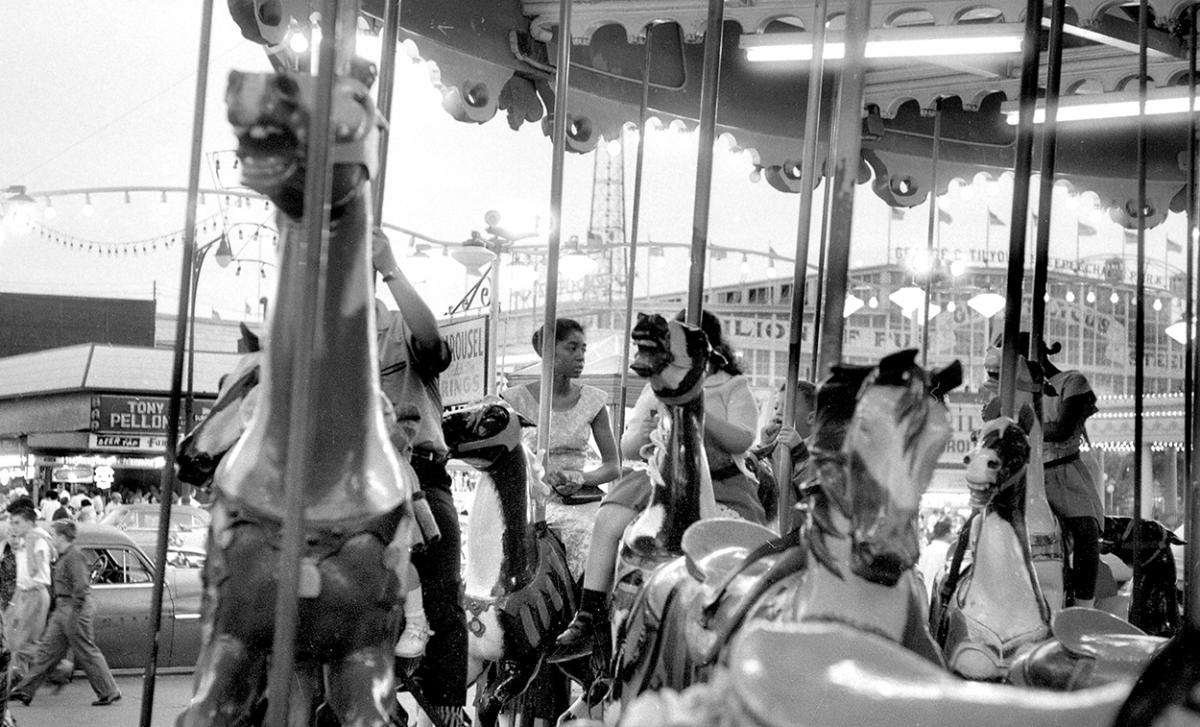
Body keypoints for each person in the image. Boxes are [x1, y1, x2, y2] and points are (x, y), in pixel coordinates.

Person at [552, 309, 761, 660]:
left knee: (739, 538)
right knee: (609, 519)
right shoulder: (657, 386)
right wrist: (643, 433)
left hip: (721, 480)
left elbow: (743, 439)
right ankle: (590, 612)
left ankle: (738, 610)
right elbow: (628, 443)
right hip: (660, 475)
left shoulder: (731, 386)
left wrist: (693, 412)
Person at [372, 228, 465, 727]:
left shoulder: (398, 334)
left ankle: (448, 702)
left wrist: (390, 268)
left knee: (441, 584)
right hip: (355, 483)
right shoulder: (326, 348)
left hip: (416, 473)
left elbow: (431, 339)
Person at [983, 332, 1103, 608]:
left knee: (1085, 530)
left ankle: (1085, 605)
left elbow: (1062, 429)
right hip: (1025, 473)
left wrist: (1021, 425)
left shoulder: (1072, 382)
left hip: (1062, 475)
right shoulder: (1009, 393)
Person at [500, 318, 621, 577]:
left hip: (578, 500)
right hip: (533, 498)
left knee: (600, 534)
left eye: (583, 350)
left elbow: (613, 466)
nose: (580, 357)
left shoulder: (593, 401)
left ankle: (593, 604)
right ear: (548, 352)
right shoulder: (515, 400)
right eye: (572, 348)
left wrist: (581, 478)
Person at [9, 521, 121, 707]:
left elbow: (81, 585)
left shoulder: (73, 557)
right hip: (64, 606)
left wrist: (75, 612)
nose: (51, 539)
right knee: (48, 651)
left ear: (62, 536)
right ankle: (25, 690)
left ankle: (109, 690)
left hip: (72, 607)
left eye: (53, 535)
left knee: (85, 650)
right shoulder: (64, 556)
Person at [752, 379, 817, 523]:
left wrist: (800, 453)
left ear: (811, 418)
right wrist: (764, 446)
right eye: (776, 407)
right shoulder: (776, 447)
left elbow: (814, 492)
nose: (778, 413)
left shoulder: (818, 449)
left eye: (786, 408)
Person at [5, 504, 52, 678]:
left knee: (22, 642)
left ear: (28, 522)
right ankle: (21, 680)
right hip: (24, 592)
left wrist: (27, 545)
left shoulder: (38, 540)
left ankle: (58, 665)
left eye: (17, 523)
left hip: (35, 593)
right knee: (15, 639)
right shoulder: (26, 539)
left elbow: (35, 570)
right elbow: (22, 576)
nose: (13, 527)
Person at [918, 517, 955, 602]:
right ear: (947, 534)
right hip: (935, 600)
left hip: (921, 598)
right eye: (952, 532)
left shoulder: (926, 550)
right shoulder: (948, 553)